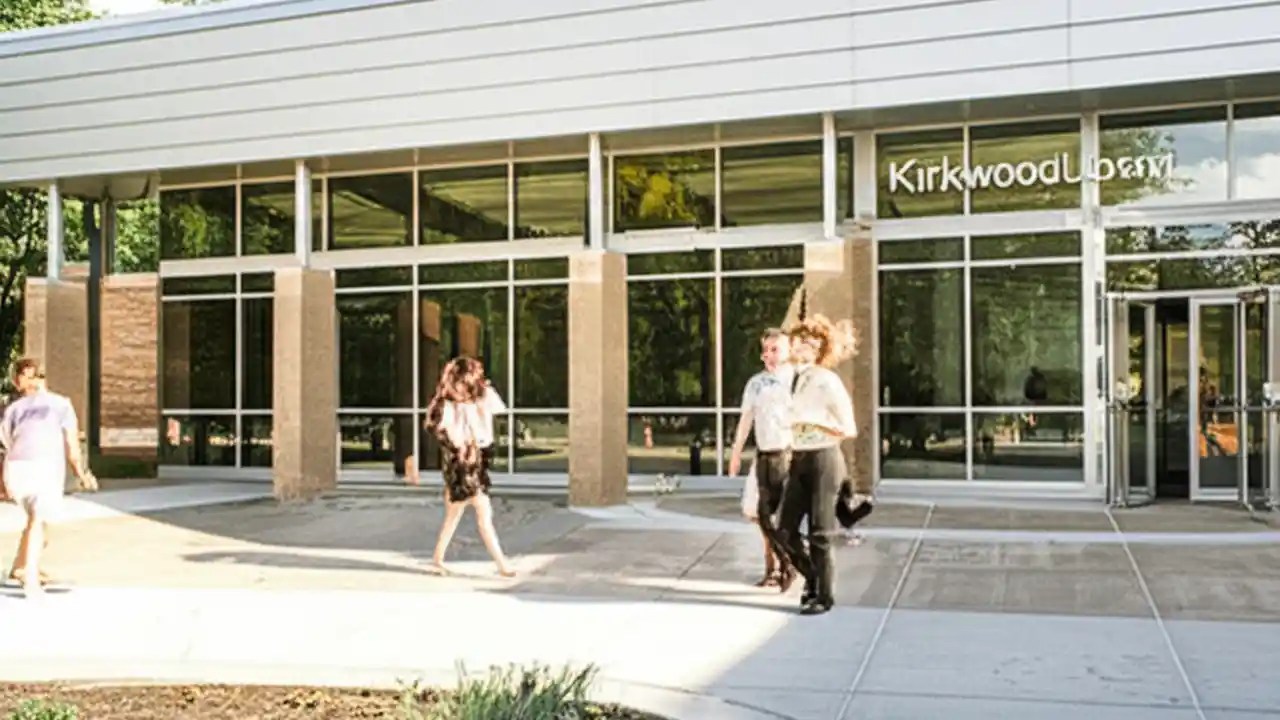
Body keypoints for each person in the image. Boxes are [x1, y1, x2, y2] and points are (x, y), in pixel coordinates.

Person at [776, 311, 857, 616]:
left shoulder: (827, 380)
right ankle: (812, 577)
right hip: (799, 458)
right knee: (784, 530)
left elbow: (848, 428)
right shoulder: (790, 378)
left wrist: (812, 423)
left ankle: (824, 596)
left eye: (807, 342)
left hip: (825, 457)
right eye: (797, 340)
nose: (799, 346)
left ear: (820, 348)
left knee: (820, 532)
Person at [0, 358, 96, 597]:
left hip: (17, 469)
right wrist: (81, 474)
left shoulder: (13, 409)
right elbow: (72, 448)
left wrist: (5, 478)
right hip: (43, 467)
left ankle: (19, 568)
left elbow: (6, 445)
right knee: (38, 519)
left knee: (38, 519)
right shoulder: (62, 405)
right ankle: (30, 579)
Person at [420, 356, 516, 578]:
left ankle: (437, 559)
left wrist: (484, 389)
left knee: (455, 515)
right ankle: (502, 564)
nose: (460, 390)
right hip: (460, 466)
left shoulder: (478, 401)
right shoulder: (447, 406)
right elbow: (436, 427)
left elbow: (498, 407)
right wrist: (459, 447)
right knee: (482, 512)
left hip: (475, 462)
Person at [728, 328, 796, 591]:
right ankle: (773, 567)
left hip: (787, 454)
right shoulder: (756, 383)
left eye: (775, 349)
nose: (768, 355)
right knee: (758, 512)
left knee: (780, 516)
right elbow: (747, 420)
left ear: (788, 350)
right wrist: (736, 454)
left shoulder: (797, 380)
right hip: (764, 455)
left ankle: (786, 566)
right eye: (765, 350)